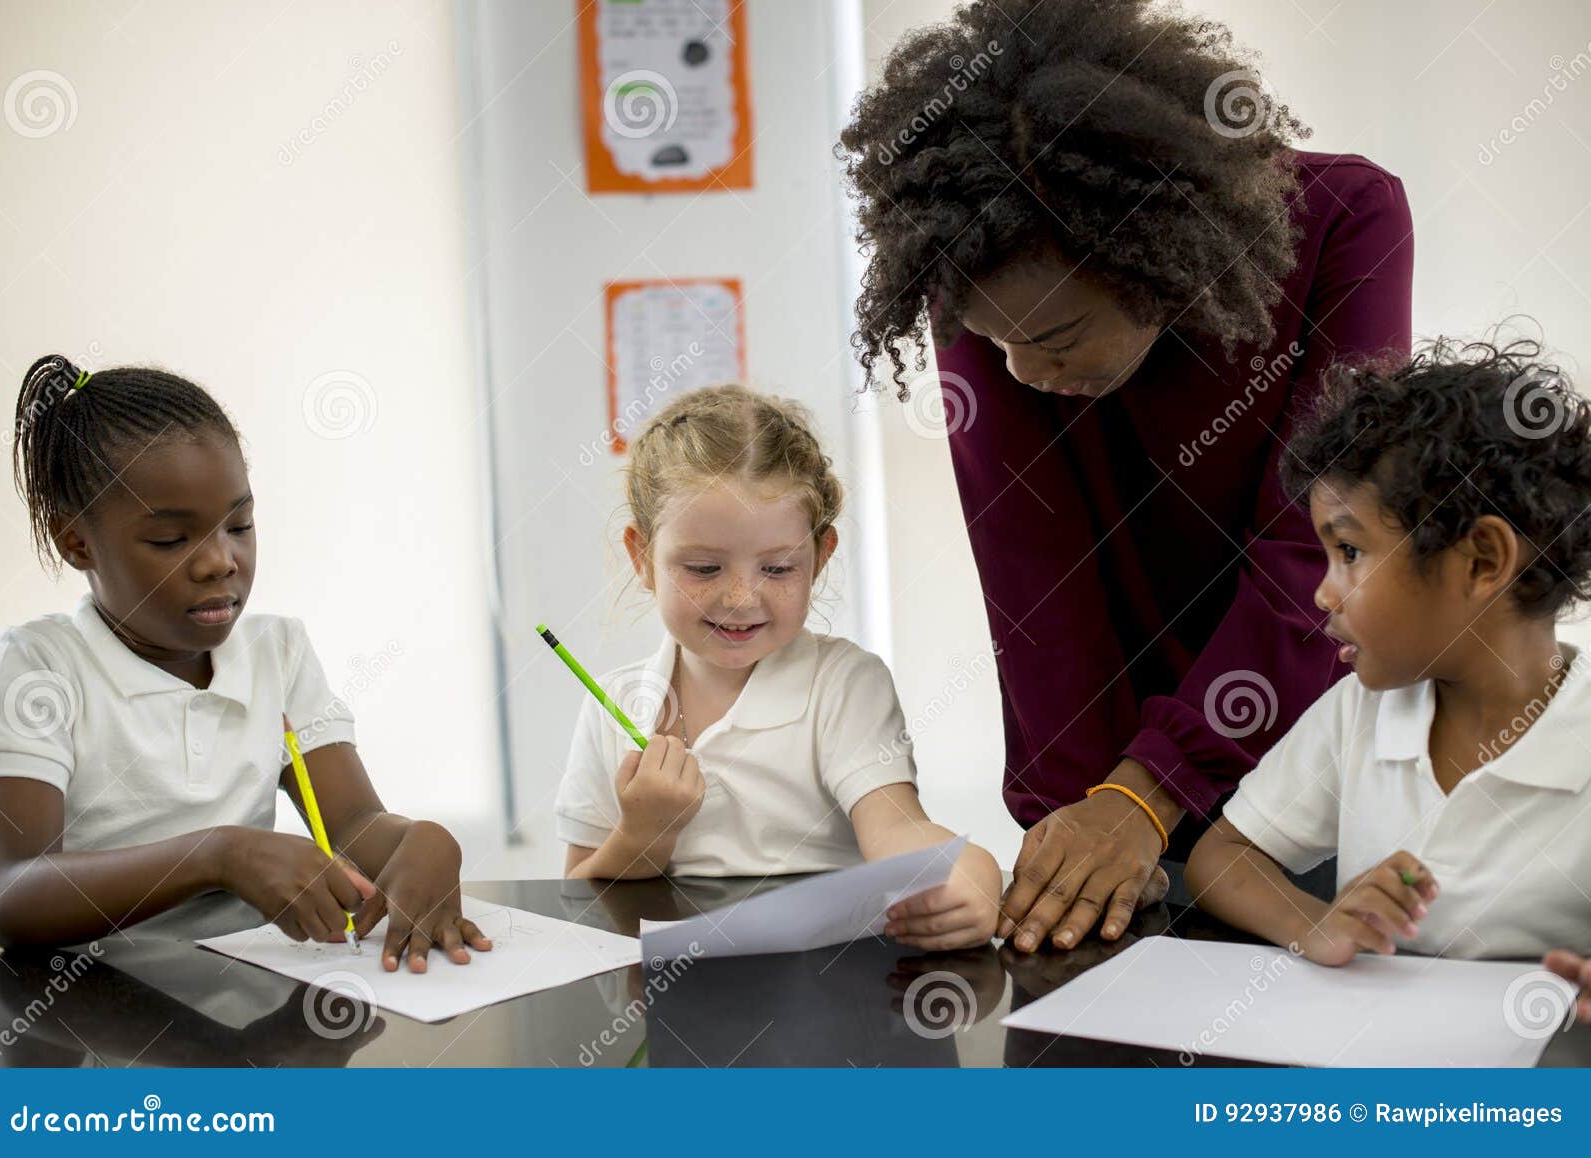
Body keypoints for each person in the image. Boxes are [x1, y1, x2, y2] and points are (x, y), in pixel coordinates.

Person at [838, 0, 1414, 951]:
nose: (1026, 373)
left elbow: (1313, 553)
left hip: (1308, 757)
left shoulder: (1346, 221)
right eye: (998, 345)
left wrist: (1149, 791)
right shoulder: (977, 265)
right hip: (1106, 780)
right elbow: (1036, 578)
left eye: (1056, 339)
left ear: (1156, 262)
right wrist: (1082, 820)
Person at [0, 354, 485, 972]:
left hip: (248, 1000)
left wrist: (419, 841)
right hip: (95, 1022)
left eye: (240, 525)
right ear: (77, 542)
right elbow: (11, 895)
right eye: (171, 540)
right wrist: (215, 856)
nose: (221, 561)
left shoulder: (276, 651)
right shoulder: (40, 667)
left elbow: (355, 824)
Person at [554, 384, 1003, 951]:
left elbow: (895, 827)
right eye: (702, 568)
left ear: (820, 557)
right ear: (642, 558)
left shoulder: (843, 683)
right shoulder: (614, 701)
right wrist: (647, 834)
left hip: (826, 992)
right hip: (676, 1003)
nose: (741, 598)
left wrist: (968, 869)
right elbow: (578, 892)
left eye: (777, 569)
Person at [1186, 339, 1591, 963]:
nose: (1322, 593)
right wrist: (1317, 923)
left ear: (1482, 561)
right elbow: (1220, 859)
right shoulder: (1356, 715)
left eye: (1349, 552)